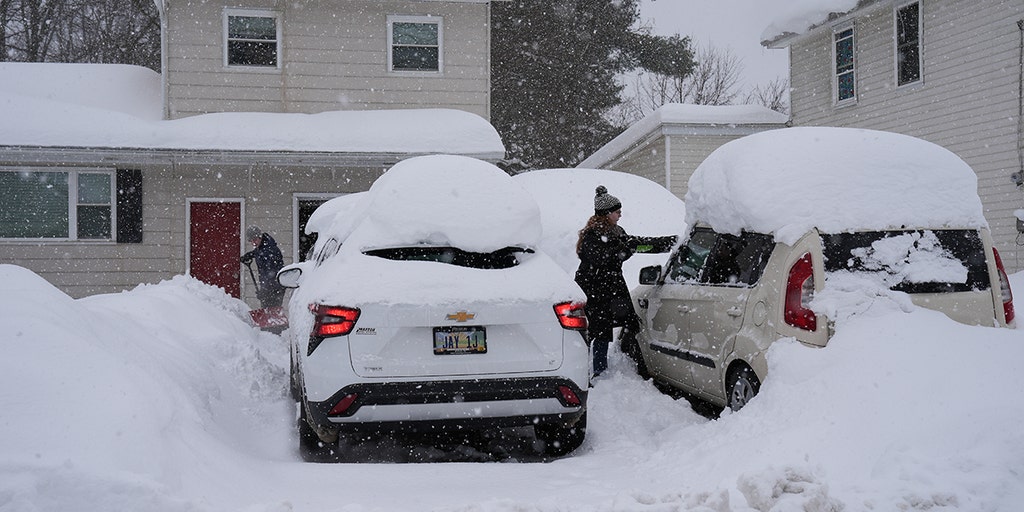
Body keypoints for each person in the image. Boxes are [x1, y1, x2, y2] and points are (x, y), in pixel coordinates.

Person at [575, 186, 677, 379]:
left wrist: (670, 243)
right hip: (593, 289)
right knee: (595, 330)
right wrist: (622, 251)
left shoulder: (616, 231)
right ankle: (590, 371)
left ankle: (608, 367)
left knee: (617, 326)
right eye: (617, 211)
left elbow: (637, 243)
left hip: (611, 288)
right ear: (606, 213)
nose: (620, 214)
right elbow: (602, 258)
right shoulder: (591, 235)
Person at [241, 226, 286, 308]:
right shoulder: (262, 247)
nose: (253, 243)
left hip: (276, 287)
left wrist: (265, 291)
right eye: (251, 241)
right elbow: (258, 252)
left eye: (254, 239)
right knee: (267, 310)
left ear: (260, 236)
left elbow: (270, 273)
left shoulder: (270, 250)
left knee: (272, 310)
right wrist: (249, 255)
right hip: (269, 285)